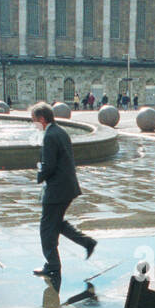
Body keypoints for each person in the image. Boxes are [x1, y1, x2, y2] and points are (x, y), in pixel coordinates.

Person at [30, 101, 96, 288]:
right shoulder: (60, 131)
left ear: (42, 119)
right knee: (56, 223)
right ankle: (87, 242)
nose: (33, 124)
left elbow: (49, 165)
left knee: (46, 229)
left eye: (33, 120)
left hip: (58, 189)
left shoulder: (50, 136)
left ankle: (52, 266)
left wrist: (39, 174)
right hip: (67, 187)